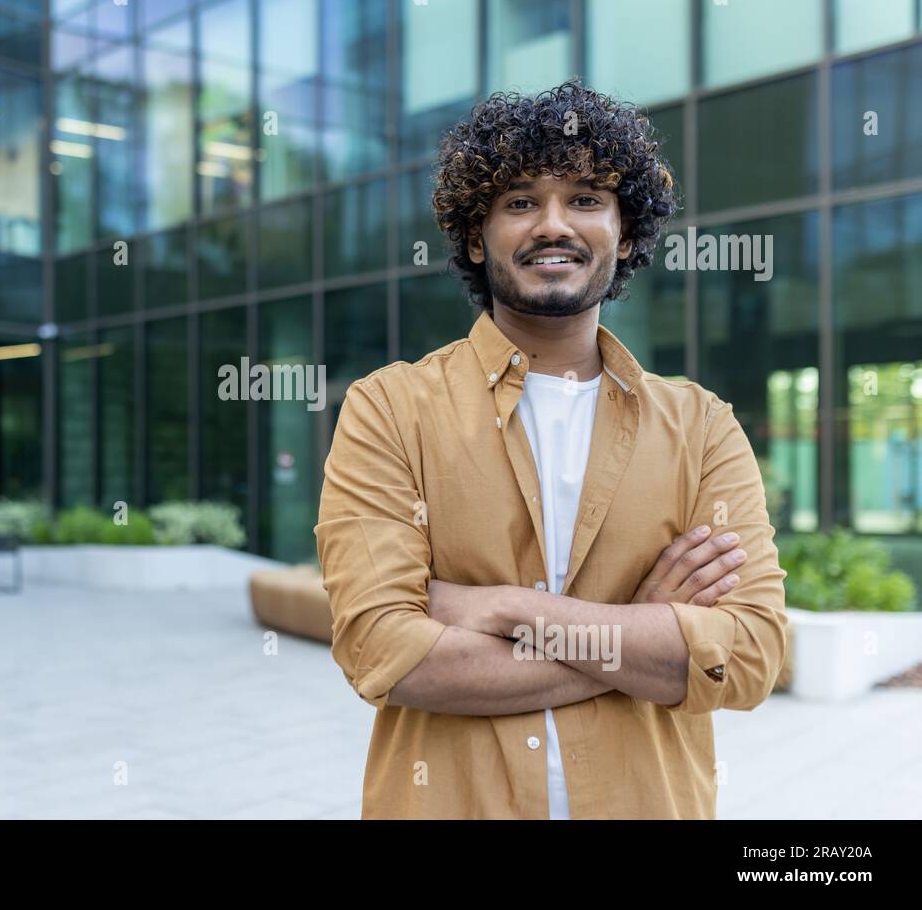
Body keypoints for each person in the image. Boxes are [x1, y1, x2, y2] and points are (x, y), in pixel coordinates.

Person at [314, 81, 787, 819]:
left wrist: (499, 608)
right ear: (478, 235)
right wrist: (642, 630)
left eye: (587, 198)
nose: (553, 224)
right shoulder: (390, 408)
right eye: (521, 201)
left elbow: (750, 657)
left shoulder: (701, 426)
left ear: (626, 232)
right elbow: (383, 649)